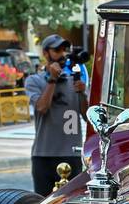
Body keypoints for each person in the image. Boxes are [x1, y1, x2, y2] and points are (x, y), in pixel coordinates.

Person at [23, 34, 87, 194]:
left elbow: (87, 116)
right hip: (44, 155)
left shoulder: (75, 81)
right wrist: (52, 80)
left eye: (64, 49)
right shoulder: (34, 81)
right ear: (45, 53)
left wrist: (83, 93)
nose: (62, 54)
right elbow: (42, 107)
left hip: (71, 154)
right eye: (57, 50)